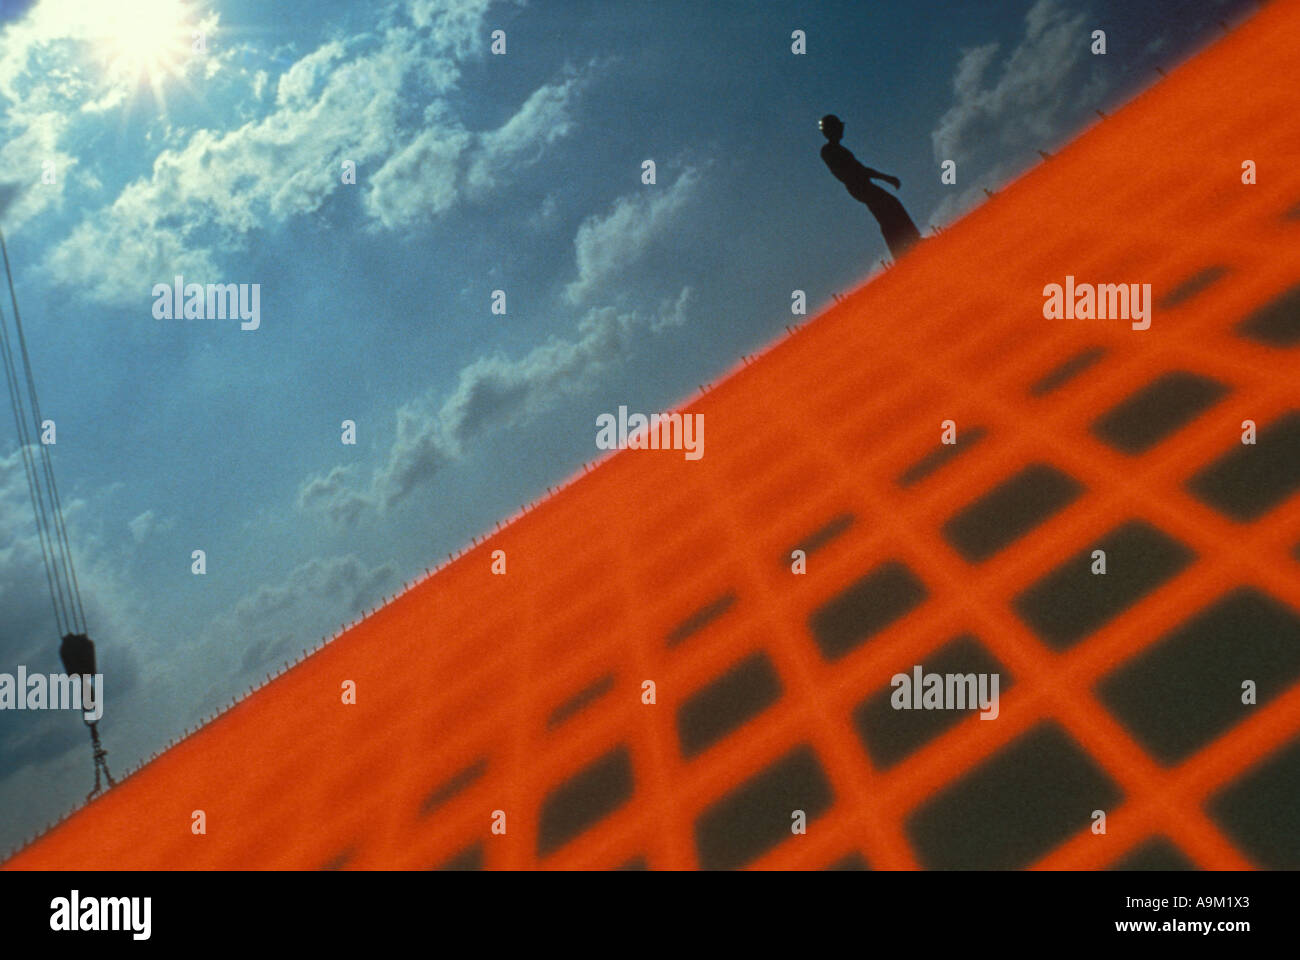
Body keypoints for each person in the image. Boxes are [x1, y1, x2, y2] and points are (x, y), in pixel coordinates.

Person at [819, 114, 922, 260]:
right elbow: (856, 170)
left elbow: (859, 169)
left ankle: (907, 247)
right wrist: (886, 178)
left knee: (887, 211)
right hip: (859, 187)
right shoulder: (830, 151)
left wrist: (884, 178)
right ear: (833, 129)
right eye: (838, 127)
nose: (842, 130)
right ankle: (907, 248)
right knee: (890, 208)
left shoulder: (836, 150)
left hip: (861, 186)